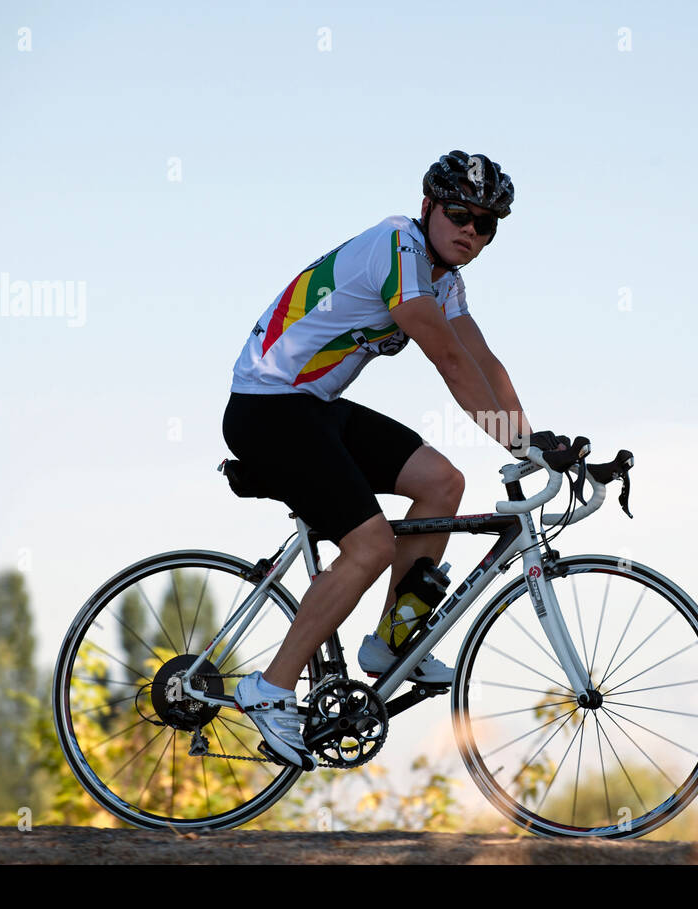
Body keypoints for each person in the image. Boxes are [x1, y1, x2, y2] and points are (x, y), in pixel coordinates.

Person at [221, 150, 564, 770]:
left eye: (487, 225)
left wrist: (537, 443)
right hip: (268, 407)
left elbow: (486, 362)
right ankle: (268, 688)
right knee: (371, 545)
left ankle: (391, 641)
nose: (471, 231)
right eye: (459, 214)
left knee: (441, 482)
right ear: (428, 206)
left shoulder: (445, 281)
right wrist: (515, 446)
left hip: (313, 407)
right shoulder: (397, 246)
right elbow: (452, 365)